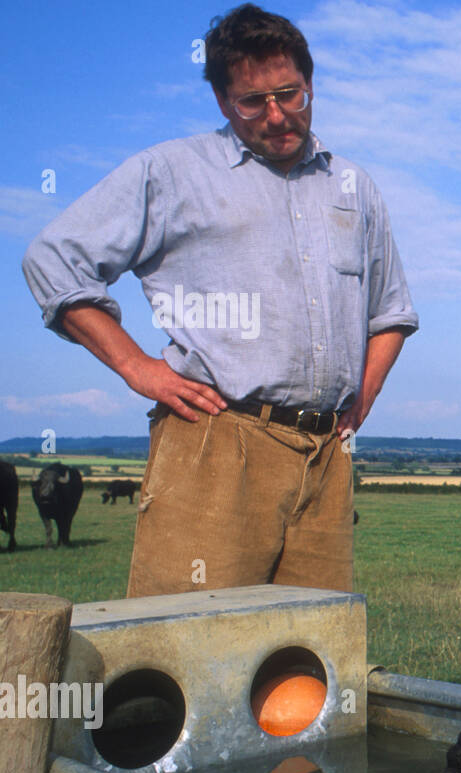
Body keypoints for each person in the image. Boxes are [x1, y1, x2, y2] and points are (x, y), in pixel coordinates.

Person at [22, 4, 417, 597]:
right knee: (182, 649)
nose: (278, 114)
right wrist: (137, 367)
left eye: (291, 93)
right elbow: (53, 259)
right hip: (214, 441)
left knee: (311, 655)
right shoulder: (171, 172)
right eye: (253, 102)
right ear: (221, 102)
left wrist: (363, 392)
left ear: (310, 84)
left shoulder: (353, 187)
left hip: (326, 459)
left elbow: (391, 311)